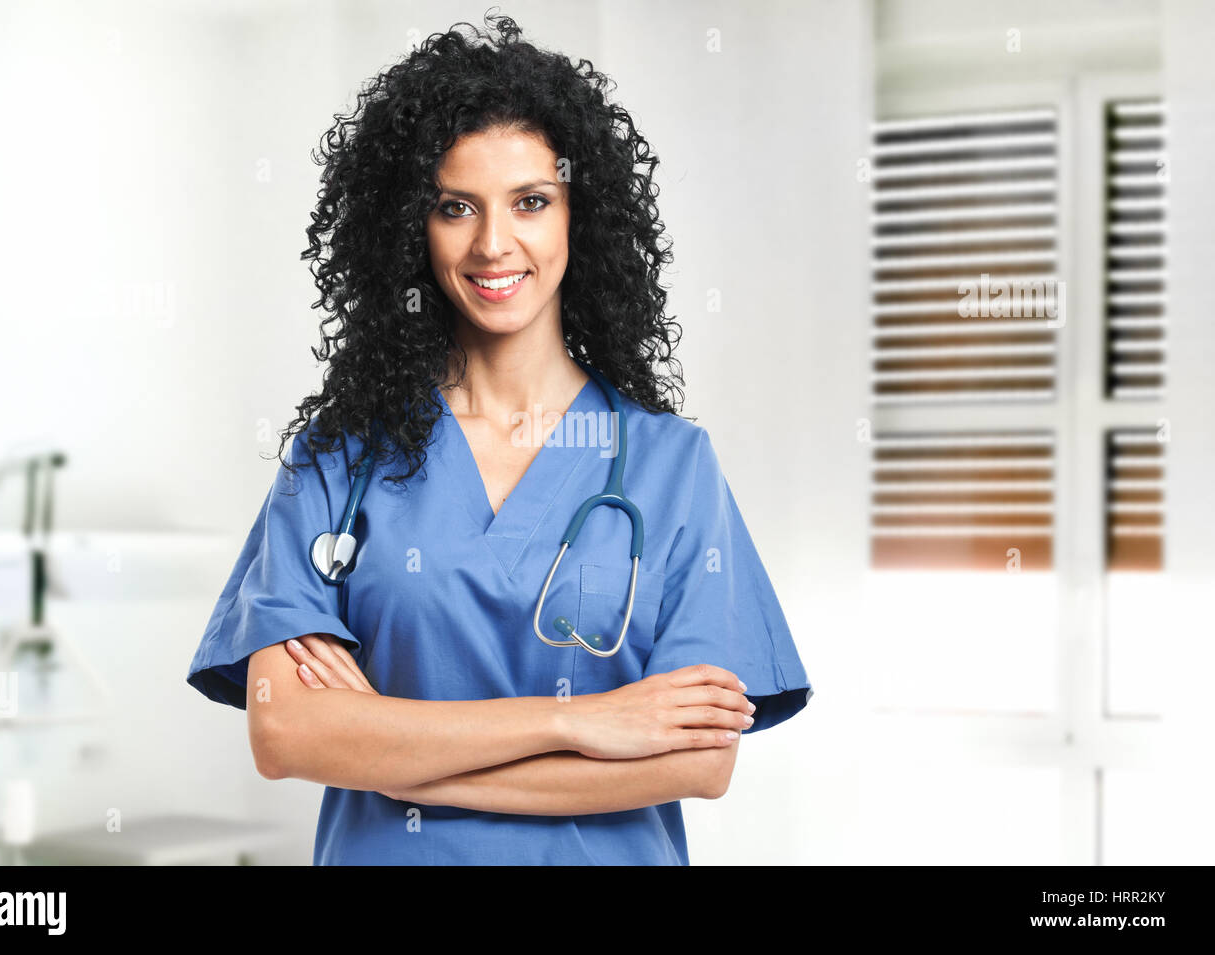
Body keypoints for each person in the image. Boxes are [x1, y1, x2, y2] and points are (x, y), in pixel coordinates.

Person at [186, 12, 812, 865]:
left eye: (530, 201)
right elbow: (286, 728)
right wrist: (583, 721)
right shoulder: (337, 461)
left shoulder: (671, 467)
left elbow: (699, 760)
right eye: (455, 207)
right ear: (413, 227)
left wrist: (394, 757)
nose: (493, 243)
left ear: (576, 218)